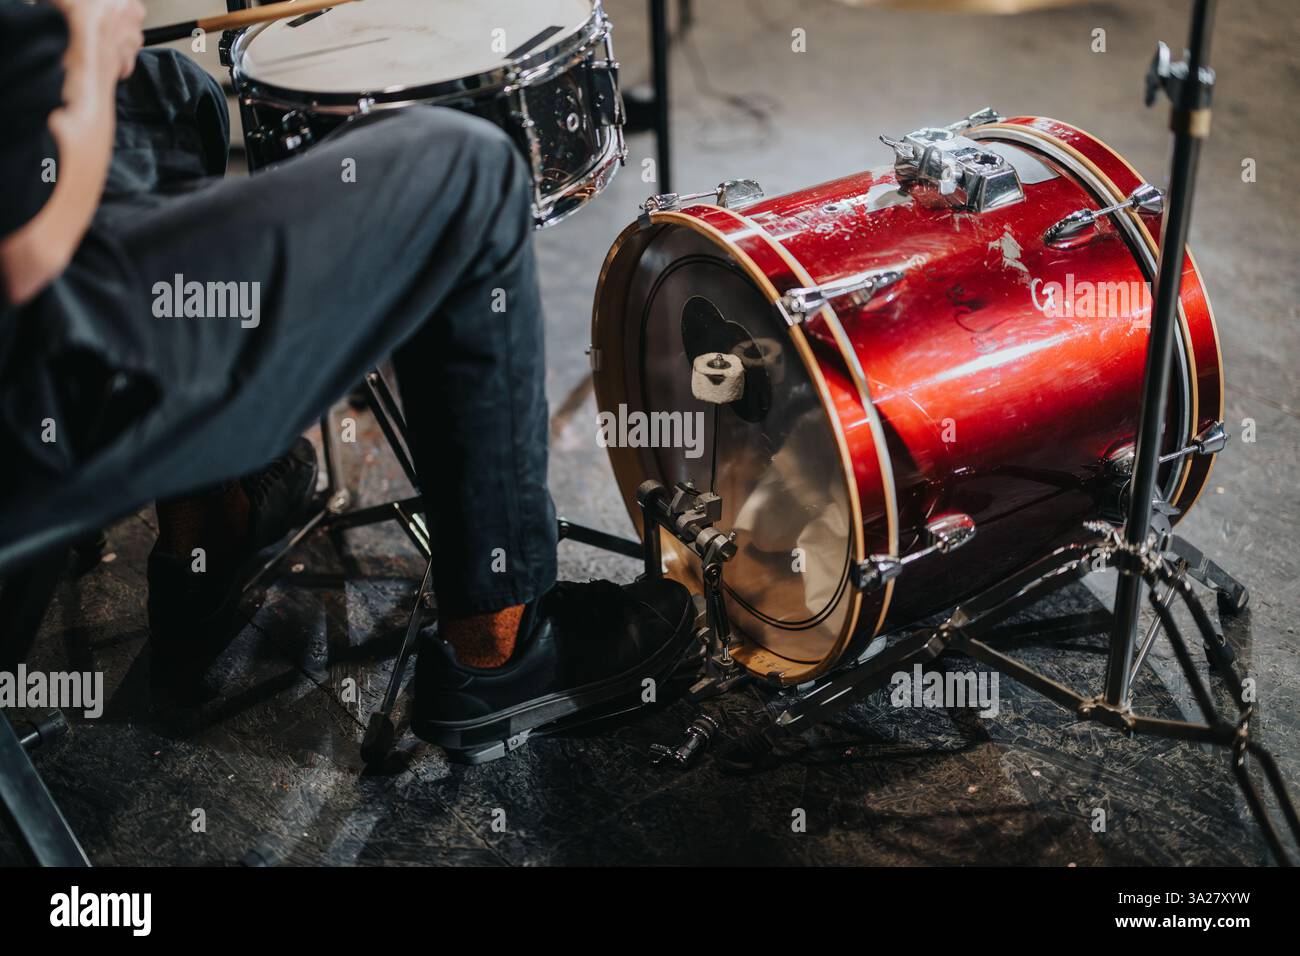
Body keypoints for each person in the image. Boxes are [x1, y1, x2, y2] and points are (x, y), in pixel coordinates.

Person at [0, 0, 693, 761]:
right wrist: (82, 65)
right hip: (39, 359)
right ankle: (504, 648)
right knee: (473, 169)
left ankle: (207, 540)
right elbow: (28, 256)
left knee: (169, 95)